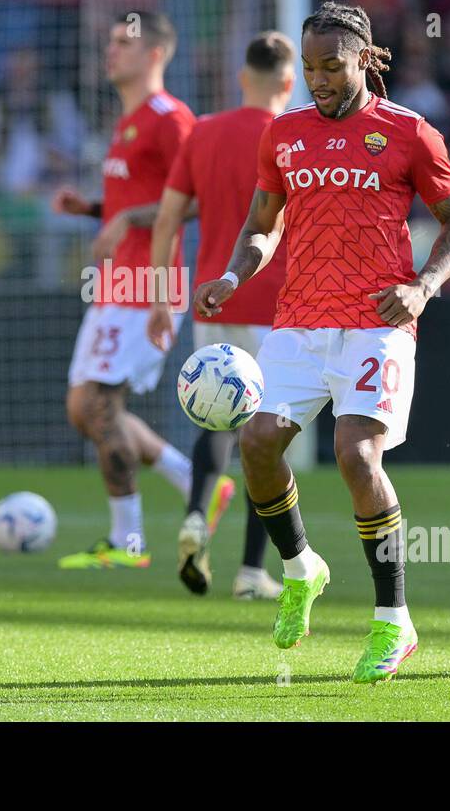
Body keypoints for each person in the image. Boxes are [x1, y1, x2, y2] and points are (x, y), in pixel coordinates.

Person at [192, 2, 450, 683]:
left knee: (356, 454)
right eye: (310, 66)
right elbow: (265, 223)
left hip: (378, 322)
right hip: (299, 321)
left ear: (365, 60)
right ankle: (299, 568)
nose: (317, 79)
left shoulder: (408, 133)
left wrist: (424, 286)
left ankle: (393, 623)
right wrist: (234, 273)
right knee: (257, 444)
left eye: (331, 66)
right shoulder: (284, 136)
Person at [52, 11, 218, 570]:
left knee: (95, 403)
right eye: (110, 40)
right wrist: (97, 211)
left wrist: (125, 223)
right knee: (89, 410)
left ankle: (129, 542)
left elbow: (198, 198)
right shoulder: (126, 122)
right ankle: (190, 479)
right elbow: (142, 201)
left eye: (124, 42)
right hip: (116, 283)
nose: (111, 50)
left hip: (151, 282)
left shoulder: (170, 118)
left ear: (155, 55)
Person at [145, 30, 296, 600]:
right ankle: (253, 572)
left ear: (242, 77)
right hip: (278, 302)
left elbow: (166, 221)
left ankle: (193, 519)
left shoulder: (203, 132)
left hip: (211, 295)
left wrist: (162, 297)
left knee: (213, 419)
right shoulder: (292, 138)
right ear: (289, 81)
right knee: (267, 437)